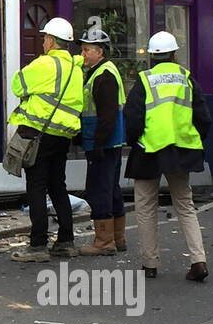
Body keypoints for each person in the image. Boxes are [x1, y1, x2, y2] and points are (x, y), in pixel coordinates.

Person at [124, 31, 211, 281]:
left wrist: (135, 142)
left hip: (148, 150)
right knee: (185, 205)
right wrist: (191, 140)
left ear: (151, 56)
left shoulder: (145, 80)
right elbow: (203, 118)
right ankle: (198, 260)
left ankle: (149, 264)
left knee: (145, 207)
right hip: (180, 151)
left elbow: (132, 118)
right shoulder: (186, 78)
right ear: (174, 54)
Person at [8, 17, 83, 262]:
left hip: (40, 134)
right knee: (57, 186)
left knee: (37, 188)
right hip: (63, 136)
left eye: (44, 38)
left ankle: (38, 246)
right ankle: (66, 241)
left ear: (51, 41)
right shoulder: (75, 67)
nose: (42, 42)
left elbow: (18, 86)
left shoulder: (45, 64)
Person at [78, 28, 126, 255]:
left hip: (103, 143)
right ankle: (118, 238)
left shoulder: (103, 76)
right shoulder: (102, 72)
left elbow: (106, 115)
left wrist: (97, 143)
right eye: (83, 49)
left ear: (100, 52)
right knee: (111, 189)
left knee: (99, 191)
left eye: (87, 49)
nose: (83, 53)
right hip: (110, 142)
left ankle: (104, 242)